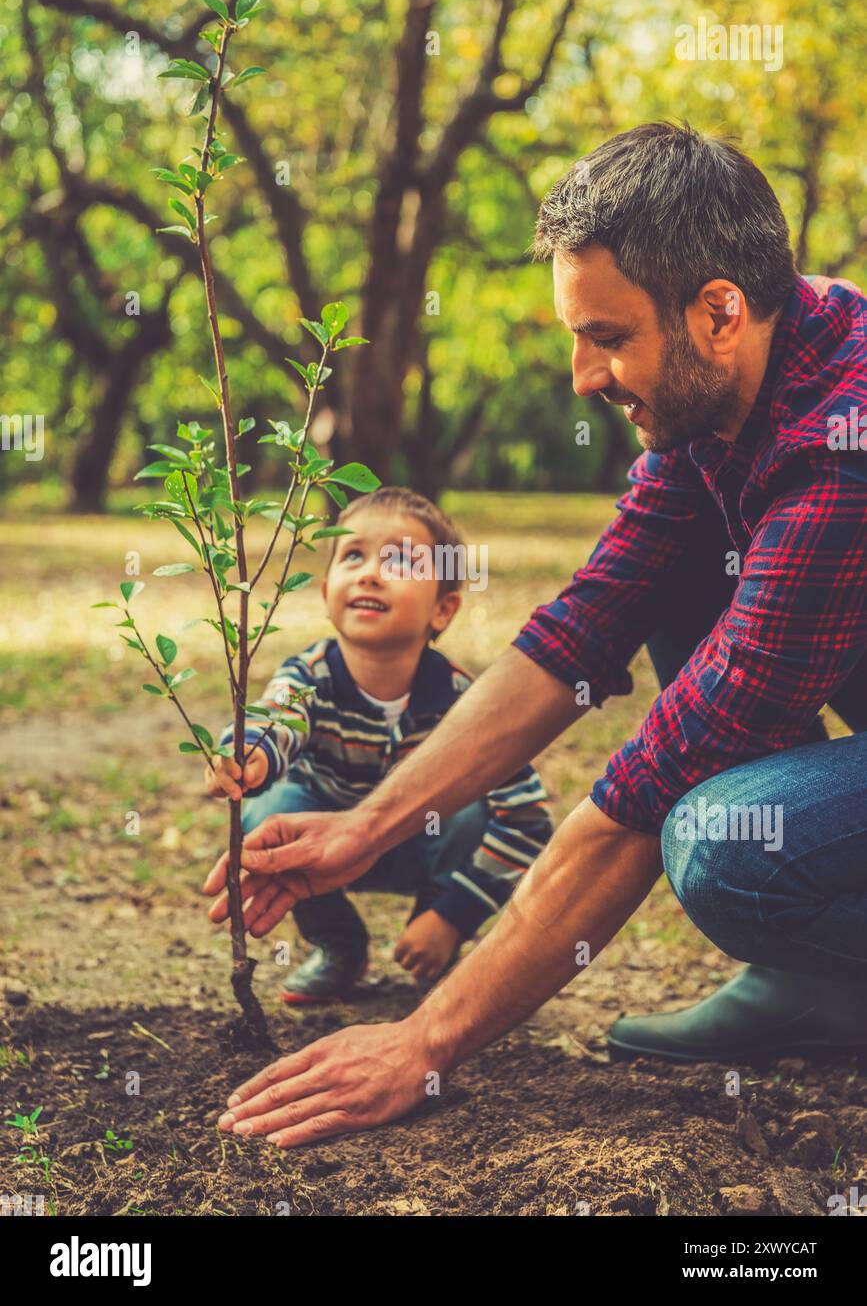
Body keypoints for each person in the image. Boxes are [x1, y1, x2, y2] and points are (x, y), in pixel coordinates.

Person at [204, 122, 867, 1150]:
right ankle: (817, 982)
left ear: (719, 311)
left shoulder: (843, 448)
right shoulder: (735, 385)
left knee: (716, 839)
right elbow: (583, 630)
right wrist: (365, 826)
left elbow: (662, 776)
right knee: (684, 581)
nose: (582, 376)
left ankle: (832, 973)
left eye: (606, 337)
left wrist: (424, 1040)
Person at [204, 486, 553, 1003]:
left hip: (423, 847)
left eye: (399, 561)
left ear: (443, 608)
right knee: (267, 813)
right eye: (352, 556)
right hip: (316, 847)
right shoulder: (310, 676)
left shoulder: (464, 700)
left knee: (470, 813)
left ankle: (433, 943)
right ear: (326, 594)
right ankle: (340, 945)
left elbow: (528, 820)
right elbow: (279, 716)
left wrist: (452, 915)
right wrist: (248, 752)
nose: (370, 572)